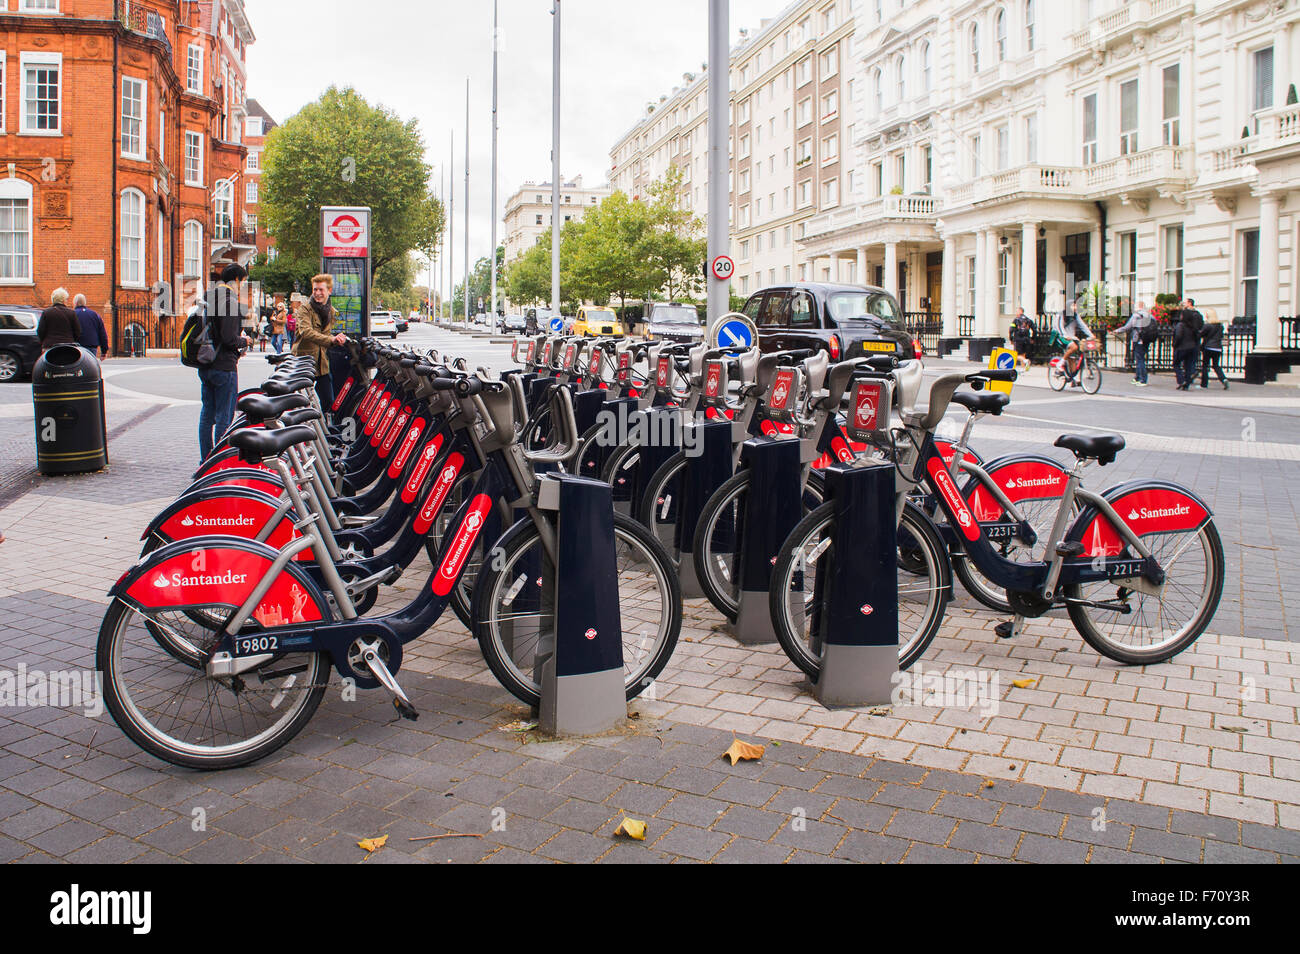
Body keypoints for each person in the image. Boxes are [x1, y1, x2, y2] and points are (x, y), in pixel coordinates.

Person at [198, 263, 253, 462]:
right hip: (223, 365)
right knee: (224, 416)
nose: (242, 286)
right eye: (243, 282)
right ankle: (219, 461)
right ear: (236, 279)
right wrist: (245, 341)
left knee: (207, 415)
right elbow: (229, 338)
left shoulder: (209, 298)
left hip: (206, 363)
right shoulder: (229, 302)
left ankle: (206, 459)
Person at [293, 273, 348, 411]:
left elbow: (326, 334)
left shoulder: (331, 311)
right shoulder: (305, 309)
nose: (317, 293)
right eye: (315, 289)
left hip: (321, 362)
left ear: (329, 291)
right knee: (300, 403)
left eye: (321, 290)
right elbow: (306, 332)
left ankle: (326, 423)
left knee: (328, 401)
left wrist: (338, 337)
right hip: (304, 361)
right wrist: (331, 339)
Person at [1051, 301, 1094, 387]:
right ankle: (1060, 363)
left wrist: (1091, 335)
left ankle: (1073, 378)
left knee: (1072, 358)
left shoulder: (1075, 315)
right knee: (1073, 347)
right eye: (1073, 306)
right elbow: (1059, 326)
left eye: (1075, 306)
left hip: (1071, 337)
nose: (1075, 307)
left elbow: (1083, 326)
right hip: (1060, 336)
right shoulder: (1061, 314)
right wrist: (1065, 335)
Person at [1112, 301, 1154, 387]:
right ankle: (1137, 377)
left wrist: (1116, 331)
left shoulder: (1136, 316)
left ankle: (1142, 379)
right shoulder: (1150, 316)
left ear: (1137, 307)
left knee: (1139, 359)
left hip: (1138, 339)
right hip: (1147, 340)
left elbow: (1127, 327)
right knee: (1141, 358)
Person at [72, 294, 109, 359]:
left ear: (75, 303)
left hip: (77, 346)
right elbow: (102, 333)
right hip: (92, 346)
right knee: (90, 364)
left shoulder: (72, 314)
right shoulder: (94, 314)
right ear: (85, 303)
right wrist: (104, 351)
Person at [1173, 307, 1200, 391]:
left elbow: (1178, 336)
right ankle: (1187, 384)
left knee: (1176, 364)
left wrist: (1175, 345)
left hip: (1182, 347)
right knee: (1188, 366)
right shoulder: (1193, 326)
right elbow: (1197, 337)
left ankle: (1181, 380)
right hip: (1192, 347)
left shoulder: (1180, 325)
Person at [1200, 311, 1229, 390]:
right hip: (1218, 348)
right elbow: (1221, 336)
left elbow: (1201, 334)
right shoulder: (1220, 326)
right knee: (1216, 365)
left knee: (1205, 366)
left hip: (1208, 347)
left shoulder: (1207, 326)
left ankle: (1204, 384)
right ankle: (1223, 379)